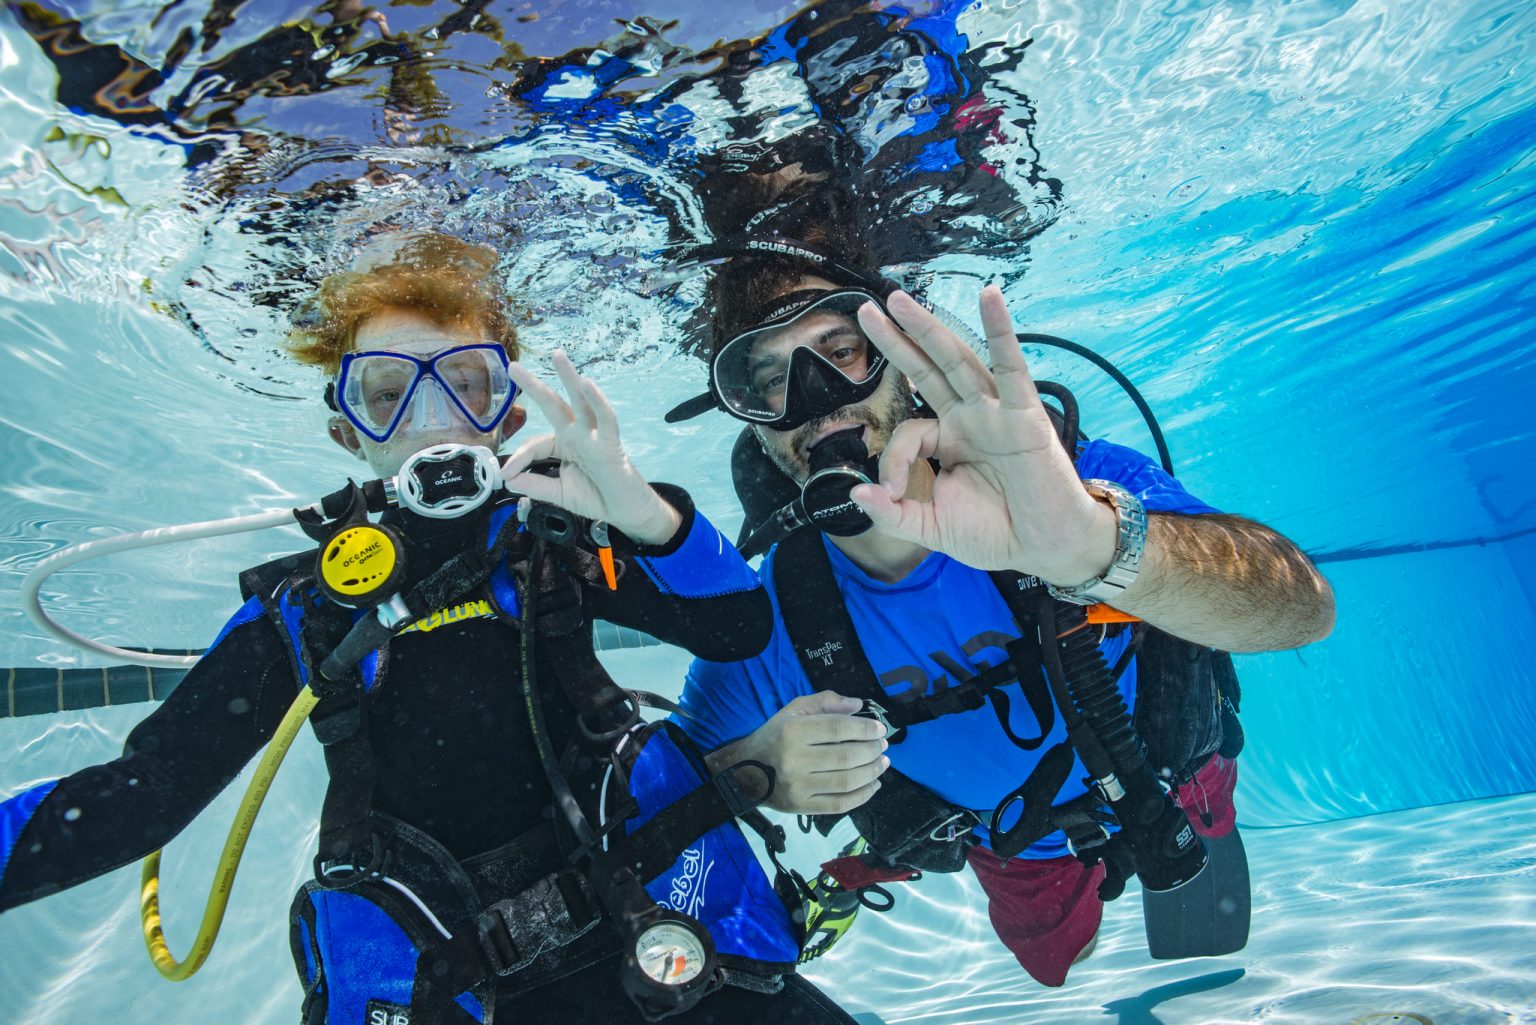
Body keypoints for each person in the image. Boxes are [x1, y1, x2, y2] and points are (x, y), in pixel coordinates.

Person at [0, 235, 861, 1024]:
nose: (430, 418)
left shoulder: (555, 538)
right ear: (350, 431)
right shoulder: (306, 609)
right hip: (455, 981)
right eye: (387, 395)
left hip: (662, 934)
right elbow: (148, 792)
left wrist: (645, 515)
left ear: (508, 413)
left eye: (466, 384)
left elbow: (736, 626)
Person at [671, 234, 1336, 988]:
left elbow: (1303, 608)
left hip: (1175, 773)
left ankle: (1210, 823)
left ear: (901, 352)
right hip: (1020, 845)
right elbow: (663, 793)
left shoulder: (1057, 480)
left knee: (1200, 826)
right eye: (766, 375)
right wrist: (752, 770)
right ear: (750, 419)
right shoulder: (766, 621)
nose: (816, 396)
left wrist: (1092, 543)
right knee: (1058, 965)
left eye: (842, 348)